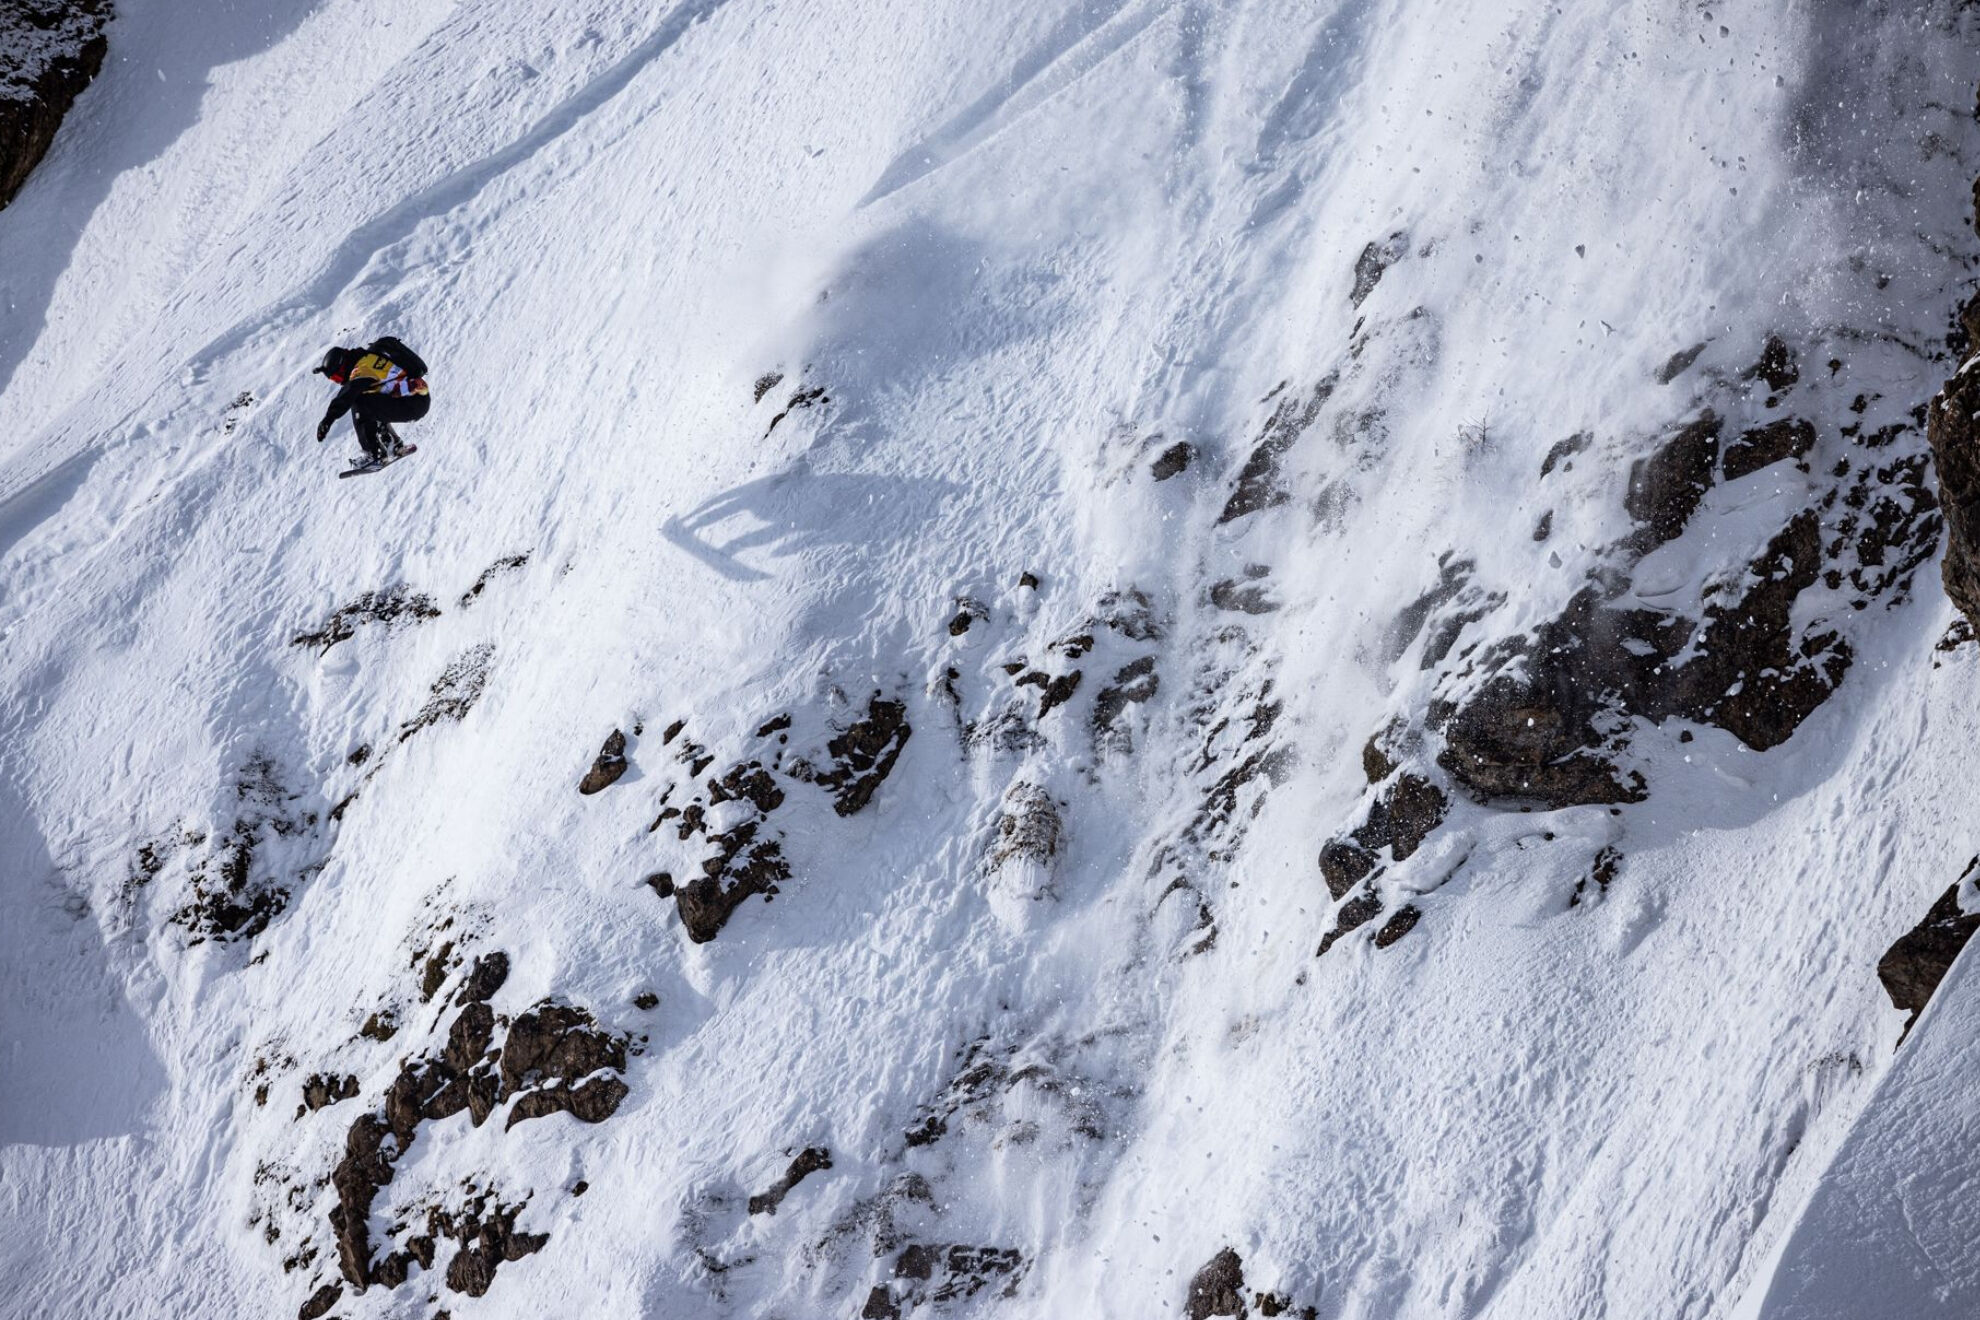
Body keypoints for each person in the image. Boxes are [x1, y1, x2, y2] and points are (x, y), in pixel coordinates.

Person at [313, 338, 431, 465]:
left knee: (359, 402)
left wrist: (328, 419)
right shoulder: (369, 357)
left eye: (337, 377)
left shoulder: (361, 369)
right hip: (417, 398)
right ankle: (392, 443)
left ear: (342, 367)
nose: (339, 381)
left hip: (413, 402)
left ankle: (374, 454)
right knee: (370, 398)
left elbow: (347, 394)